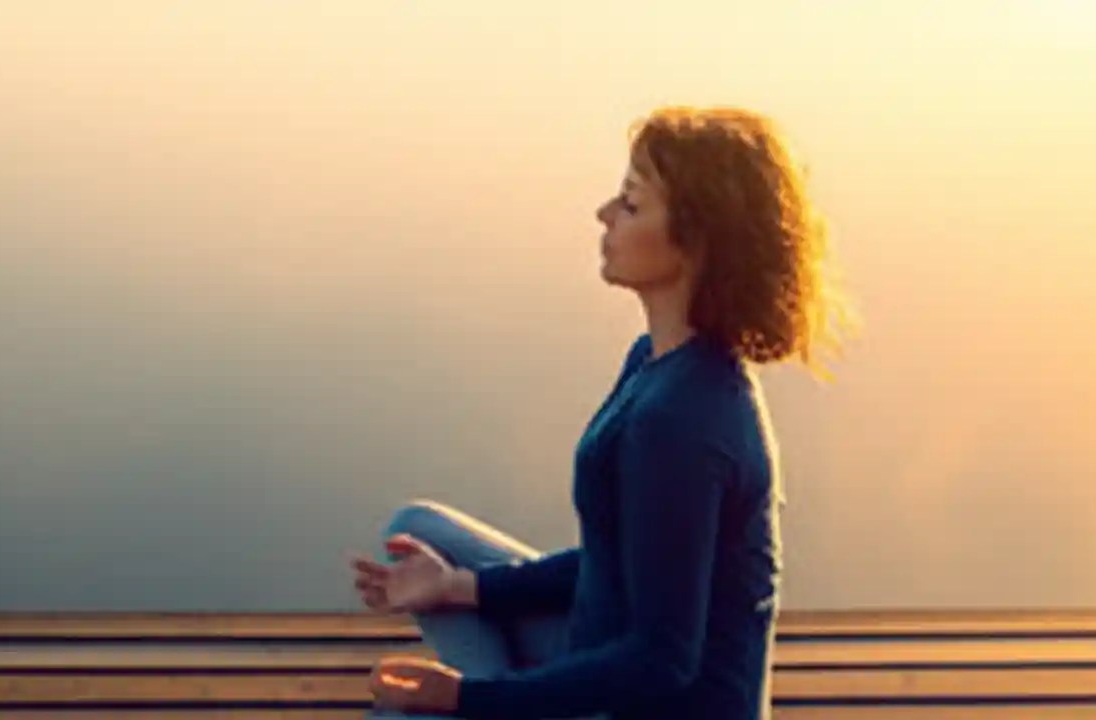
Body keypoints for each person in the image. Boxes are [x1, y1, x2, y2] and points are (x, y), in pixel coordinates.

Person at [348, 105, 858, 719]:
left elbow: (662, 663)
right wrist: (459, 587)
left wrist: (465, 697)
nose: (605, 215)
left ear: (694, 242)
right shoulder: (660, 361)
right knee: (421, 532)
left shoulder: (682, 422)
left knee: (400, 716)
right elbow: (625, 560)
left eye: (632, 205)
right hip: (606, 642)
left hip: (649, 699)